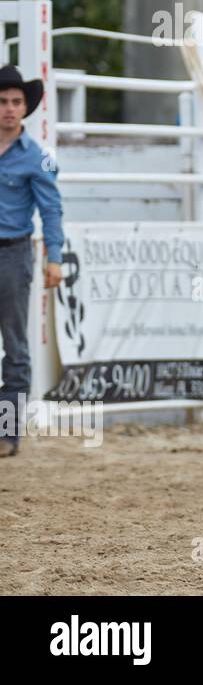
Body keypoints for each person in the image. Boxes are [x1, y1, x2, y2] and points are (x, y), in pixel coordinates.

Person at [0, 66, 63, 458]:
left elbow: (51, 209)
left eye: (16, 102)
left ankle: (7, 434)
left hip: (14, 253)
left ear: (26, 108)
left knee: (16, 346)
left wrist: (53, 257)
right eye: (3, 101)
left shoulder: (38, 157)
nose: (9, 108)